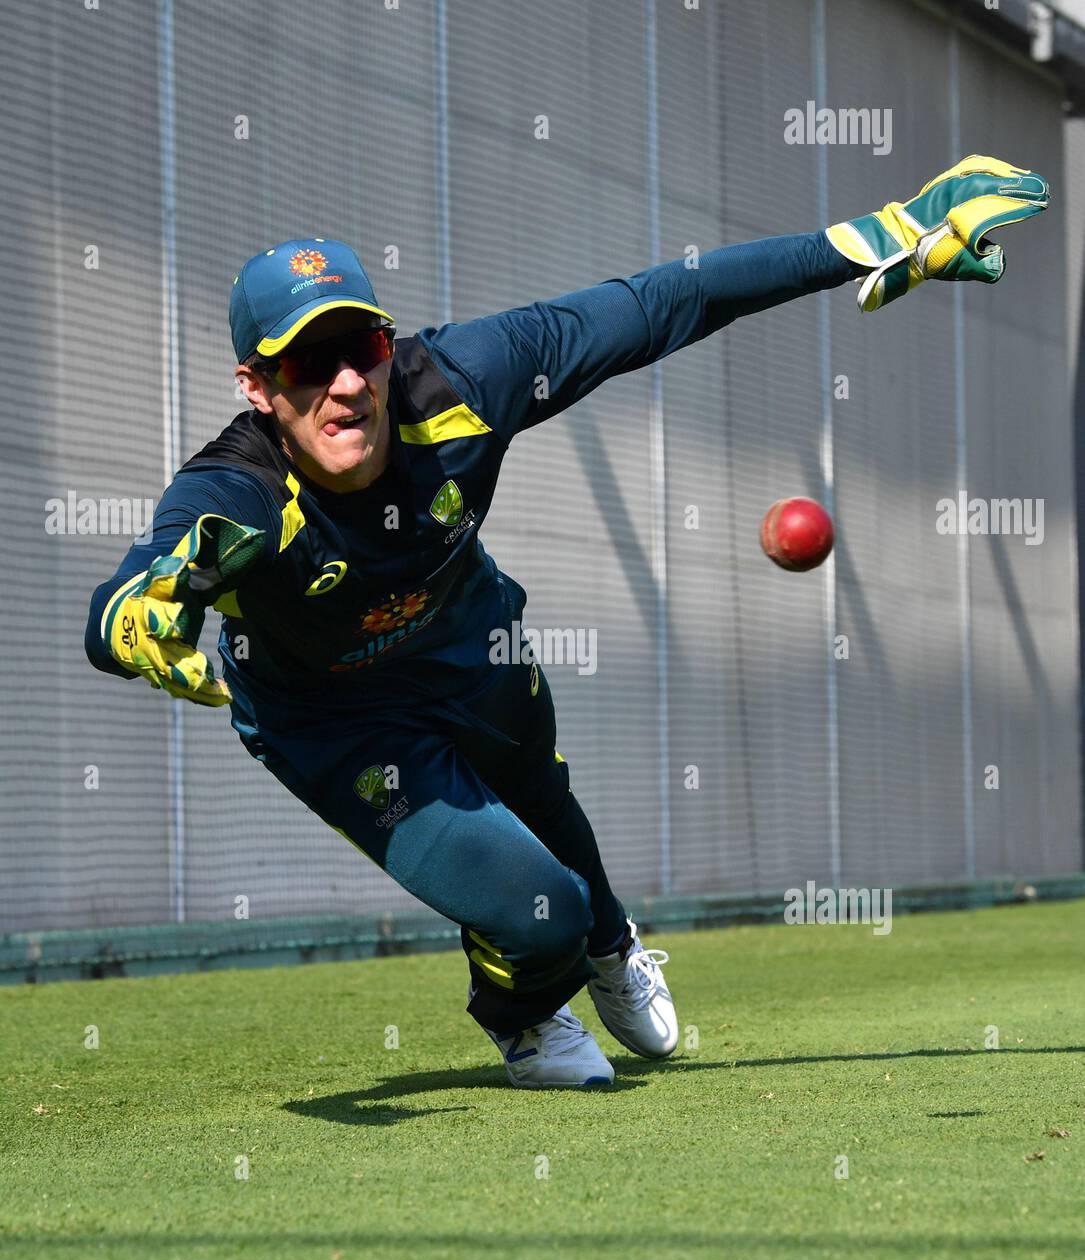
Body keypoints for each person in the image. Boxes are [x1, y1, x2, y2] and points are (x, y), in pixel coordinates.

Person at [85, 156, 1047, 1088]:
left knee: (546, 802)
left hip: (472, 650)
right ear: (257, 385)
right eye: (309, 361)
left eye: (363, 348)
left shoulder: (461, 380)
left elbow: (666, 300)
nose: (346, 384)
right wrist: (141, 619)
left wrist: (876, 235)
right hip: (337, 725)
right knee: (544, 913)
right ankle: (529, 1014)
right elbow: (134, 592)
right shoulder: (235, 489)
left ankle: (612, 945)